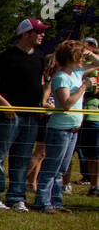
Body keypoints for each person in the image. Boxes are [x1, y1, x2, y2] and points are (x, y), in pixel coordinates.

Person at [0, 18, 48, 211]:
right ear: (26, 34)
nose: (42, 35)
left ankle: (16, 197)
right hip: (8, 116)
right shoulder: (7, 56)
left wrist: (43, 102)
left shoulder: (40, 57)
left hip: (31, 116)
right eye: (38, 31)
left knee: (23, 158)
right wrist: (4, 105)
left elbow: (44, 83)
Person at [37, 40, 99, 213]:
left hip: (72, 130)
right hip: (60, 130)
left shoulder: (77, 73)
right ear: (71, 57)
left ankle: (55, 202)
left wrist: (91, 54)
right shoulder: (61, 77)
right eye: (81, 56)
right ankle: (43, 203)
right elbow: (66, 104)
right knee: (51, 168)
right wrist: (84, 87)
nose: (83, 59)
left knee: (61, 169)